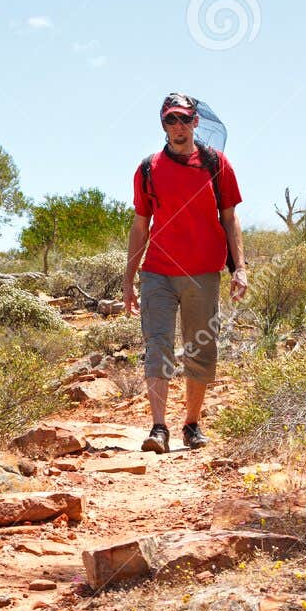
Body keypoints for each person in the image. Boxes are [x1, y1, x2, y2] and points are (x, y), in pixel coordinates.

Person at [122, 92, 247, 453]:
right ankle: (158, 427)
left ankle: (191, 425)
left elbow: (230, 218)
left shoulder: (216, 164)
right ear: (163, 125)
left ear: (196, 121)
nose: (177, 127)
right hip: (157, 272)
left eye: (183, 119)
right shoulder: (148, 168)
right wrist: (129, 281)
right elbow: (140, 226)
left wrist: (240, 268)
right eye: (170, 120)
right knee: (157, 346)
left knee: (201, 348)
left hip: (203, 272)